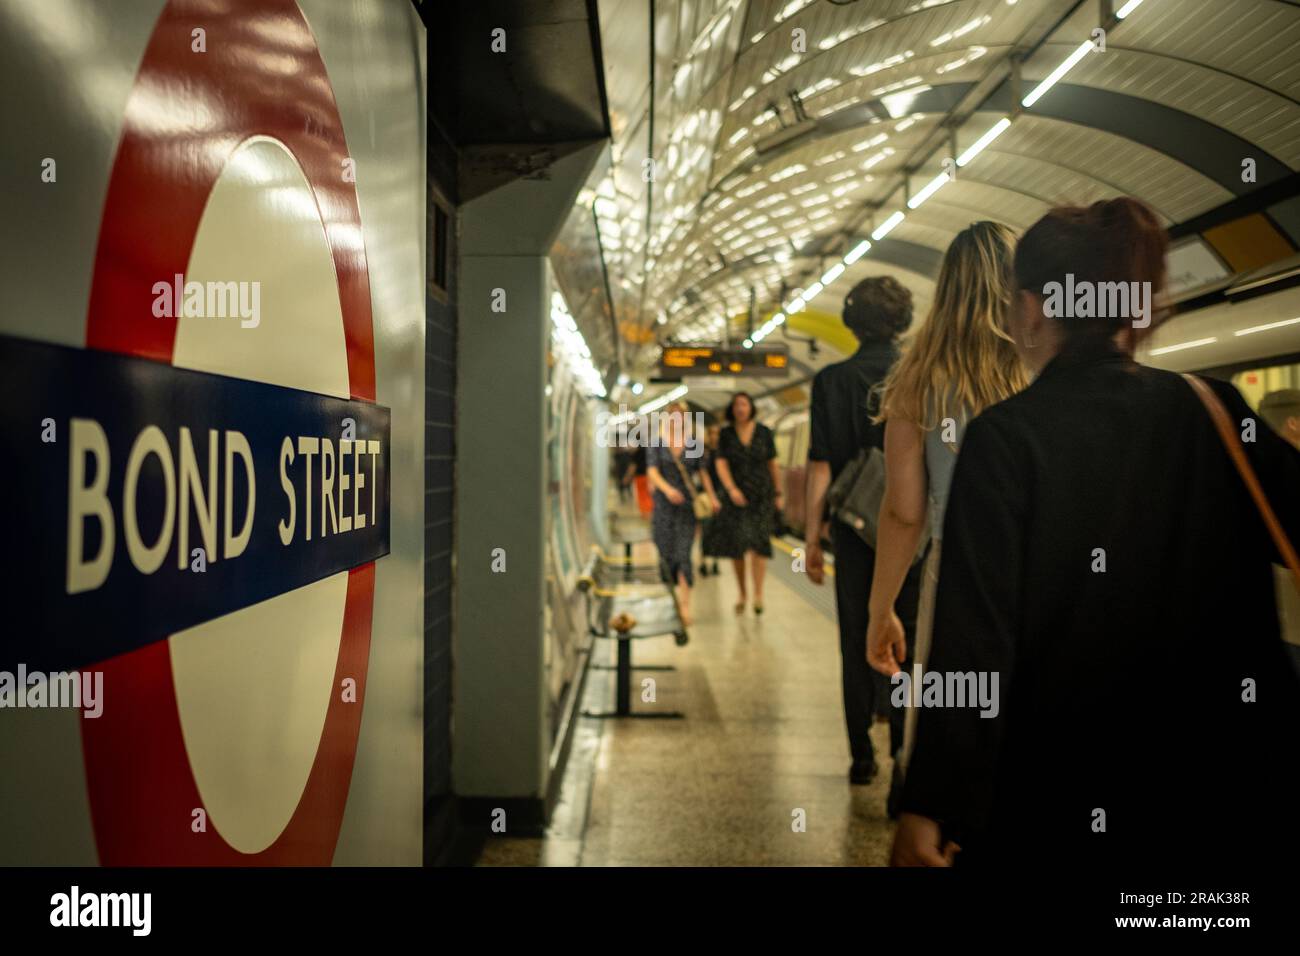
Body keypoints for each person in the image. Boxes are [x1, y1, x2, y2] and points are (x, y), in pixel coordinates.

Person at [891, 197, 1300, 869]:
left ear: (1033, 308)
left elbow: (974, 647)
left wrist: (928, 801)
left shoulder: (1006, 438)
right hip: (1225, 792)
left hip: (1057, 793)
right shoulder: (1215, 411)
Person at [864, 223, 1028, 811]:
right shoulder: (1046, 367)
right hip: (1048, 579)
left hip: (957, 581)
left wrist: (881, 609)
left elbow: (905, 513)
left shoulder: (920, 378)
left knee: (952, 723)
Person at [803, 276, 918, 786]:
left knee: (856, 638)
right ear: (902, 321)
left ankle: (860, 757)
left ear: (852, 322)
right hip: (912, 528)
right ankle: (901, 750)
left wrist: (811, 537)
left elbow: (821, 467)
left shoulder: (830, 381)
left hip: (851, 528)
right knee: (907, 641)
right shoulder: (920, 373)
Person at [646, 402, 718, 625]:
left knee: (684, 553)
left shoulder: (693, 443)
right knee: (666, 555)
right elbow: (652, 471)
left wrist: (712, 496)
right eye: (673, 416)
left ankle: (684, 607)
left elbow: (703, 472)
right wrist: (667, 490)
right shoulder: (656, 443)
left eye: (680, 416)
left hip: (686, 506)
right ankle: (671, 600)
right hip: (663, 506)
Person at [713, 392, 781, 614]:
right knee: (738, 546)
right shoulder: (726, 434)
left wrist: (778, 492)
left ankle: (758, 594)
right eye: (736, 405)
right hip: (736, 498)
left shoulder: (764, 432)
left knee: (759, 544)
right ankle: (742, 592)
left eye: (743, 404)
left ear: (751, 407)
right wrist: (731, 489)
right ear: (731, 409)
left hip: (761, 495)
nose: (740, 408)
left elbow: (773, 464)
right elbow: (720, 463)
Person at [699, 422, 725, 577]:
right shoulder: (702, 453)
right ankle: (703, 561)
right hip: (705, 497)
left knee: (719, 532)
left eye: (717, 434)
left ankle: (715, 562)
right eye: (712, 433)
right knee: (706, 531)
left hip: (721, 496)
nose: (714, 437)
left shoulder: (724, 453)